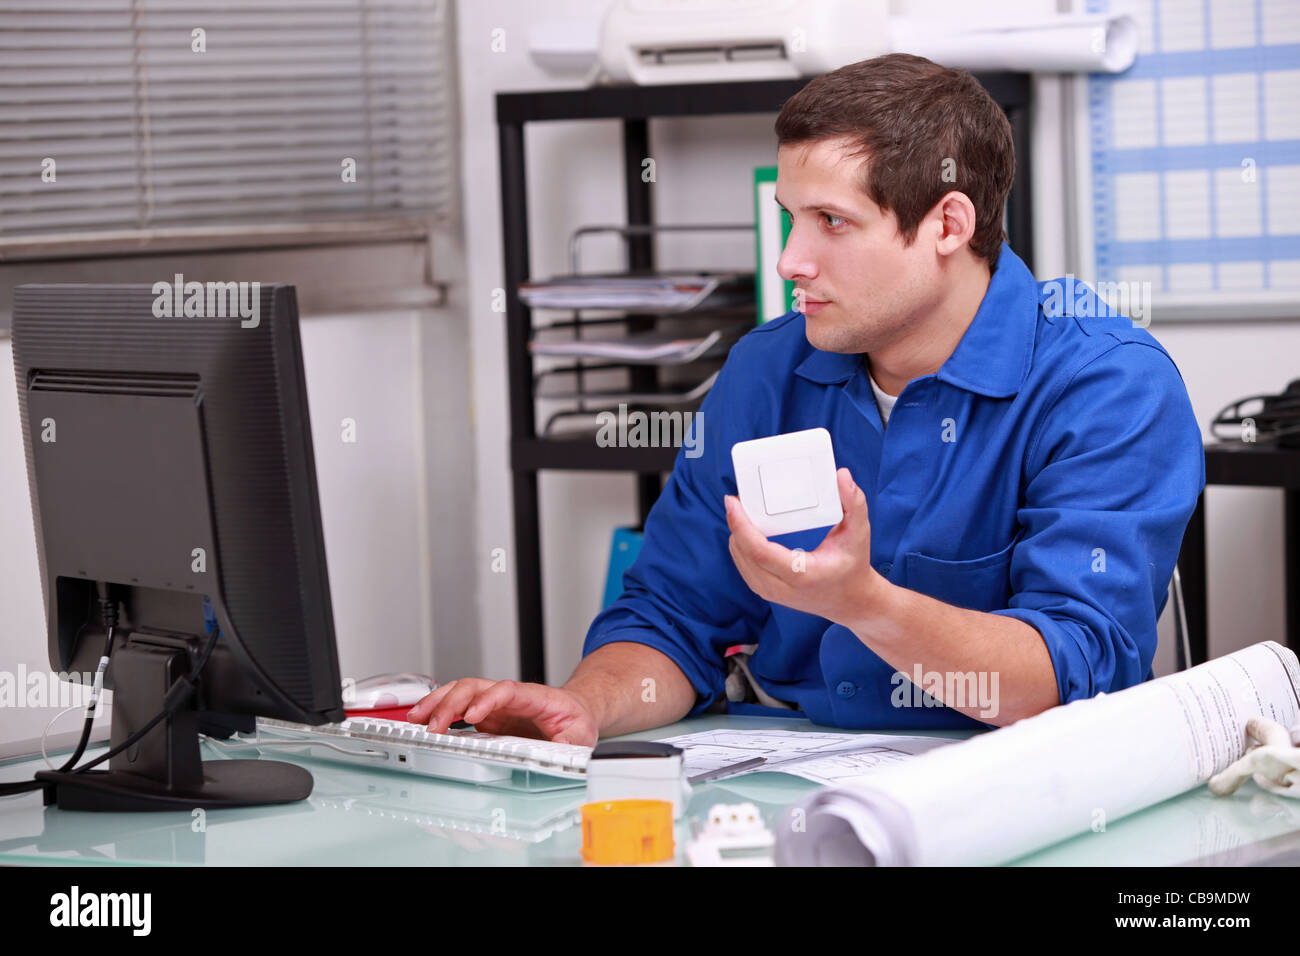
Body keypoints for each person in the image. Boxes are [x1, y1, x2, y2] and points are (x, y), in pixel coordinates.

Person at [408, 53, 1206, 747]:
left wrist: (864, 604)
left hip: (1013, 793)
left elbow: (1070, 673)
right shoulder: (766, 369)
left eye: (832, 221)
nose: (790, 259)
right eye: (790, 218)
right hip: (790, 777)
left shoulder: (1108, 386)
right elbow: (672, 618)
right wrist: (580, 706)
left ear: (948, 223)